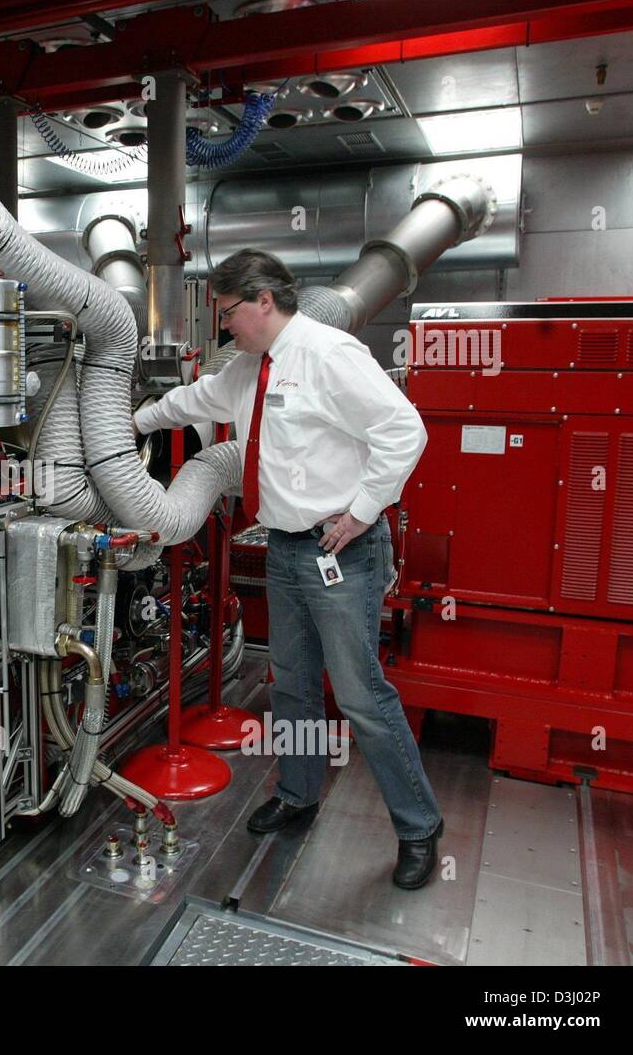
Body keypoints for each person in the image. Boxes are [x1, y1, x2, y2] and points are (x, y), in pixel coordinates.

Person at [132, 248, 444, 890]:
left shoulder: (329, 355)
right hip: (286, 548)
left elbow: (404, 430)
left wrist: (360, 512)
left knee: (359, 695)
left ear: (263, 301)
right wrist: (119, 427)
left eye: (227, 313)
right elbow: (188, 402)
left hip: (340, 550)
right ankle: (299, 793)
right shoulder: (248, 369)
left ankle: (418, 827)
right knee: (293, 684)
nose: (224, 327)